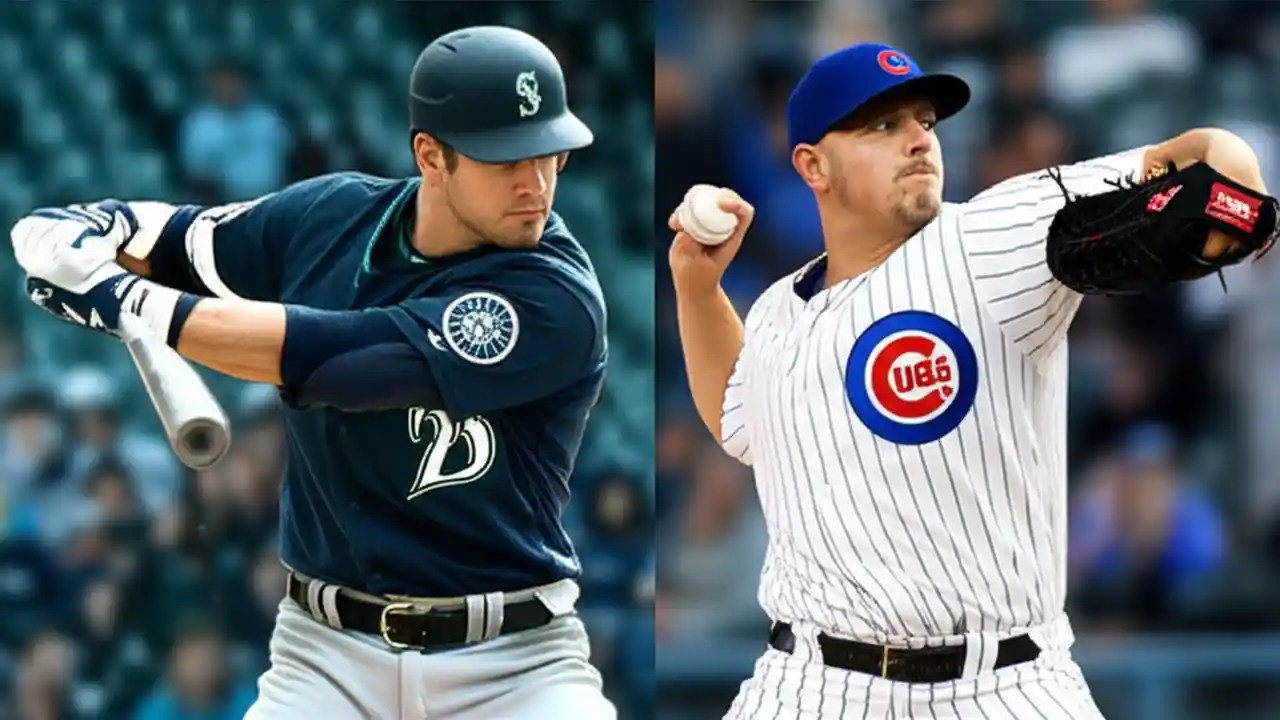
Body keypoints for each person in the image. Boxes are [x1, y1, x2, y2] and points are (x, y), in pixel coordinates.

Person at [11, 25, 614, 719]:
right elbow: (178, 240)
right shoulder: (330, 216)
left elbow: (338, 365)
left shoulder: (555, 295)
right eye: (506, 160)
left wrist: (124, 302)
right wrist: (87, 228)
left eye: (549, 155)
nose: (535, 183)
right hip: (326, 658)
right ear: (431, 155)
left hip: (514, 664)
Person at [668, 42, 1272, 717]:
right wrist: (697, 287)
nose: (918, 141)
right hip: (811, 681)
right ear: (813, 165)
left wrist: (1226, 214)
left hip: (1001, 682)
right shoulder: (783, 306)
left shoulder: (992, 239)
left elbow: (1223, 163)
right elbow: (736, 414)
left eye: (925, 121)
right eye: (882, 126)